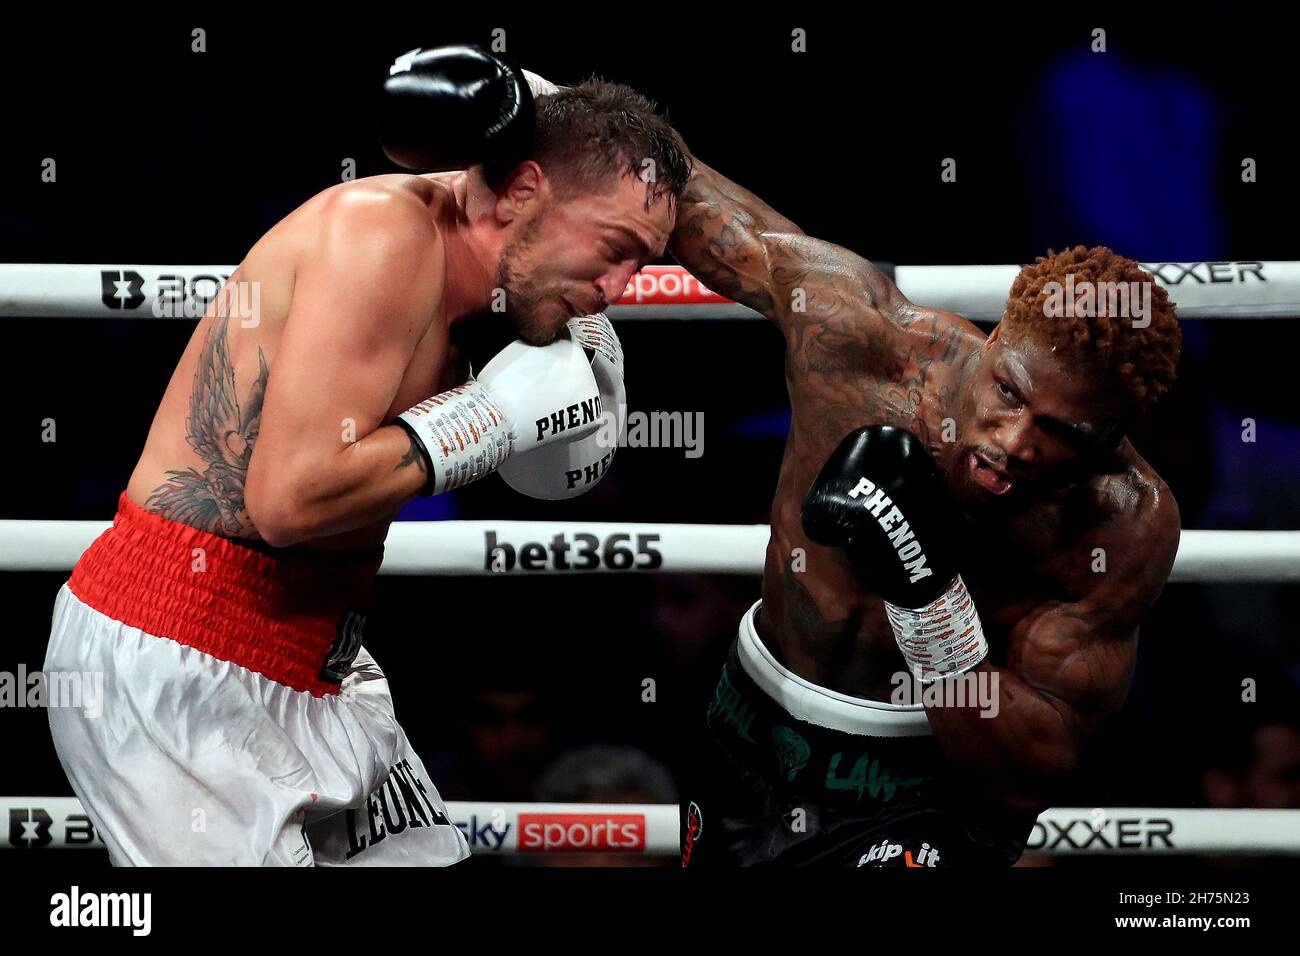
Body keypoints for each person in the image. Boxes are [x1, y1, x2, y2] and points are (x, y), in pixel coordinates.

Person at [43, 45, 688, 866]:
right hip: (182, 650)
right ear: (523, 190)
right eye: (615, 247)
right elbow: (288, 501)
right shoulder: (381, 235)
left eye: (641, 262)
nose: (620, 288)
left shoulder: (488, 298)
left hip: (319, 652)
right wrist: (487, 421)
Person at [670, 150, 1182, 866]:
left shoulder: (1122, 521)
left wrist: (931, 599)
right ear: (998, 341)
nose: (1013, 442)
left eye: (1062, 434)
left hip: (925, 788)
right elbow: (671, 184)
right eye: (1009, 392)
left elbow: (1031, 772)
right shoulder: (868, 346)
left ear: (1112, 437)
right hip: (749, 728)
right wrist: (529, 97)